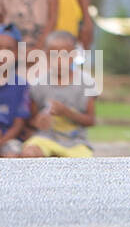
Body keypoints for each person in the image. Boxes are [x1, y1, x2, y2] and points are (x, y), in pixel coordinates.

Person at [20, 30, 95, 158]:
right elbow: (31, 119)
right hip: (46, 138)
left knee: (84, 167)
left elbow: (90, 120)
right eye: (53, 55)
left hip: (75, 142)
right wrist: (37, 121)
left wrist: (66, 112)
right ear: (46, 55)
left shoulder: (86, 83)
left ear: (74, 55)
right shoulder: (38, 84)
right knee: (29, 153)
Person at [0, 26, 31, 156]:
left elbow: (19, 125)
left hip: (8, 139)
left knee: (12, 155)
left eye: (9, 49)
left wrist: (2, 142)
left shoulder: (21, 86)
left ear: (17, 53)